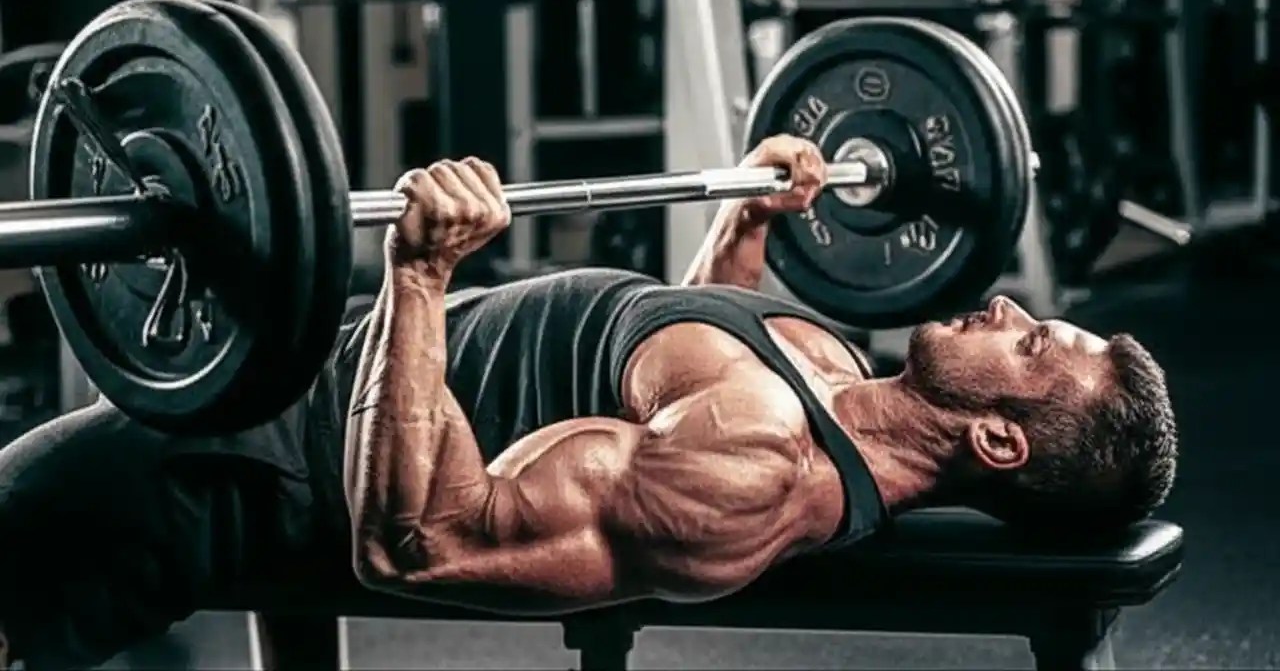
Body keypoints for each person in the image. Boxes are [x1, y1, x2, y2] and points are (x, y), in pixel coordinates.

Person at [0, 135, 1177, 669]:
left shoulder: (756, 480)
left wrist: (419, 271)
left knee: (21, 525)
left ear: (992, 436)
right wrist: (746, 226)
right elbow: (681, 355)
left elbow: (421, 541)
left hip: (264, 458)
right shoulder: (828, 377)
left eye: (1030, 347)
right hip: (319, 367)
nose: (1009, 310)